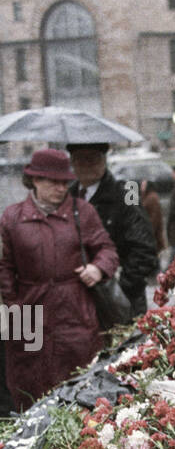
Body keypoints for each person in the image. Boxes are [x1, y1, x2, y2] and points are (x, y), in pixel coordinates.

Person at [0, 148, 119, 411]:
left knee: (80, 377)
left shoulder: (82, 212)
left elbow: (107, 249)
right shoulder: (12, 217)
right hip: (27, 309)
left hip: (75, 306)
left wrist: (98, 268)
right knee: (27, 381)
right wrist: (13, 307)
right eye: (53, 181)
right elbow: (4, 267)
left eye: (65, 182)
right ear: (35, 181)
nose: (61, 188)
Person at [67, 143, 158, 317]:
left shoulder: (128, 191)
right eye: (80, 159)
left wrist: (123, 287)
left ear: (104, 160)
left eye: (93, 158)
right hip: (78, 301)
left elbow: (144, 247)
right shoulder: (66, 196)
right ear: (72, 163)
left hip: (120, 299)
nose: (87, 164)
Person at [140, 178, 167, 252]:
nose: (141, 186)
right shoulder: (145, 196)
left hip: (152, 235)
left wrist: (149, 231)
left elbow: (154, 217)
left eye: (143, 185)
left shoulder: (152, 198)